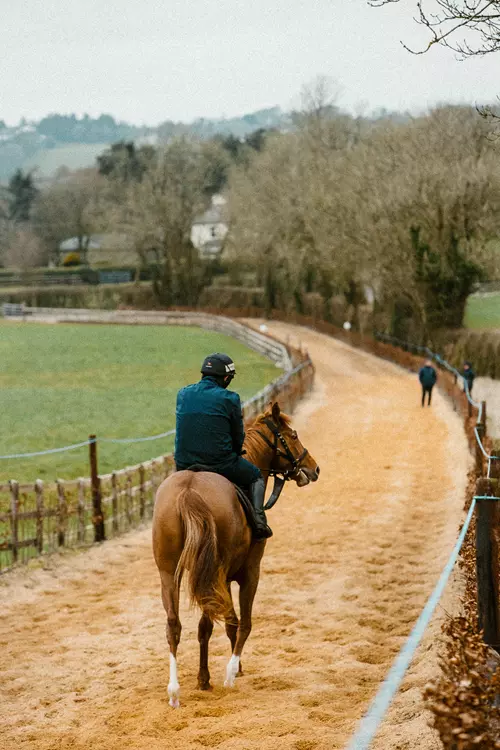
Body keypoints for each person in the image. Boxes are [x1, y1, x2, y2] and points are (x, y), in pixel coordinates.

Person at [174, 352, 273, 539]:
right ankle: (259, 521)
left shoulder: (183, 393)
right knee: (256, 477)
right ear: (226, 378)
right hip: (219, 463)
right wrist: (236, 452)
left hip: (183, 464)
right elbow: (237, 435)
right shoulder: (230, 398)